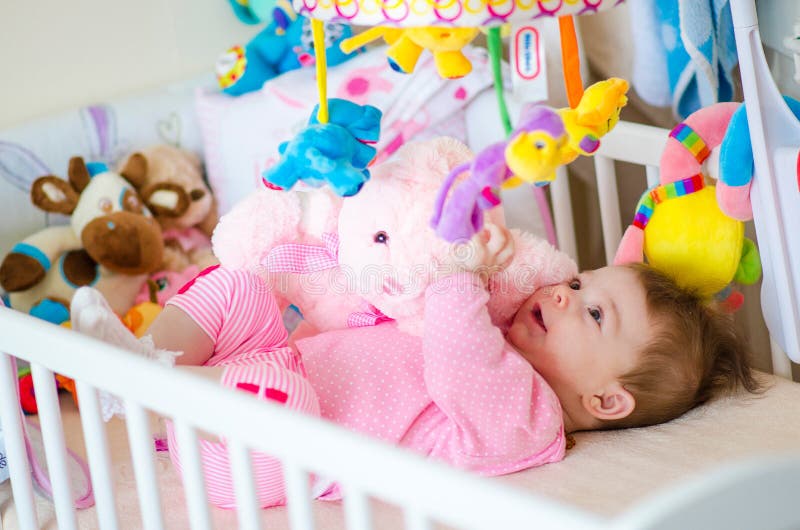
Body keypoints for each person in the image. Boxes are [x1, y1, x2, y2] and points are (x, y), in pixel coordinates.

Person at [69, 224, 760, 508]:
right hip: (267, 364)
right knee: (238, 284)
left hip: (262, 456)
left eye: (593, 313)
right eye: (579, 282)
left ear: (607, 401)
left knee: (279, 397)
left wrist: (456, 271)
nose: (561, 292)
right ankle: (143, 360)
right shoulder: (505, 341)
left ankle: (150, 393)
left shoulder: (527, 420)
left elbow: (459, 358)